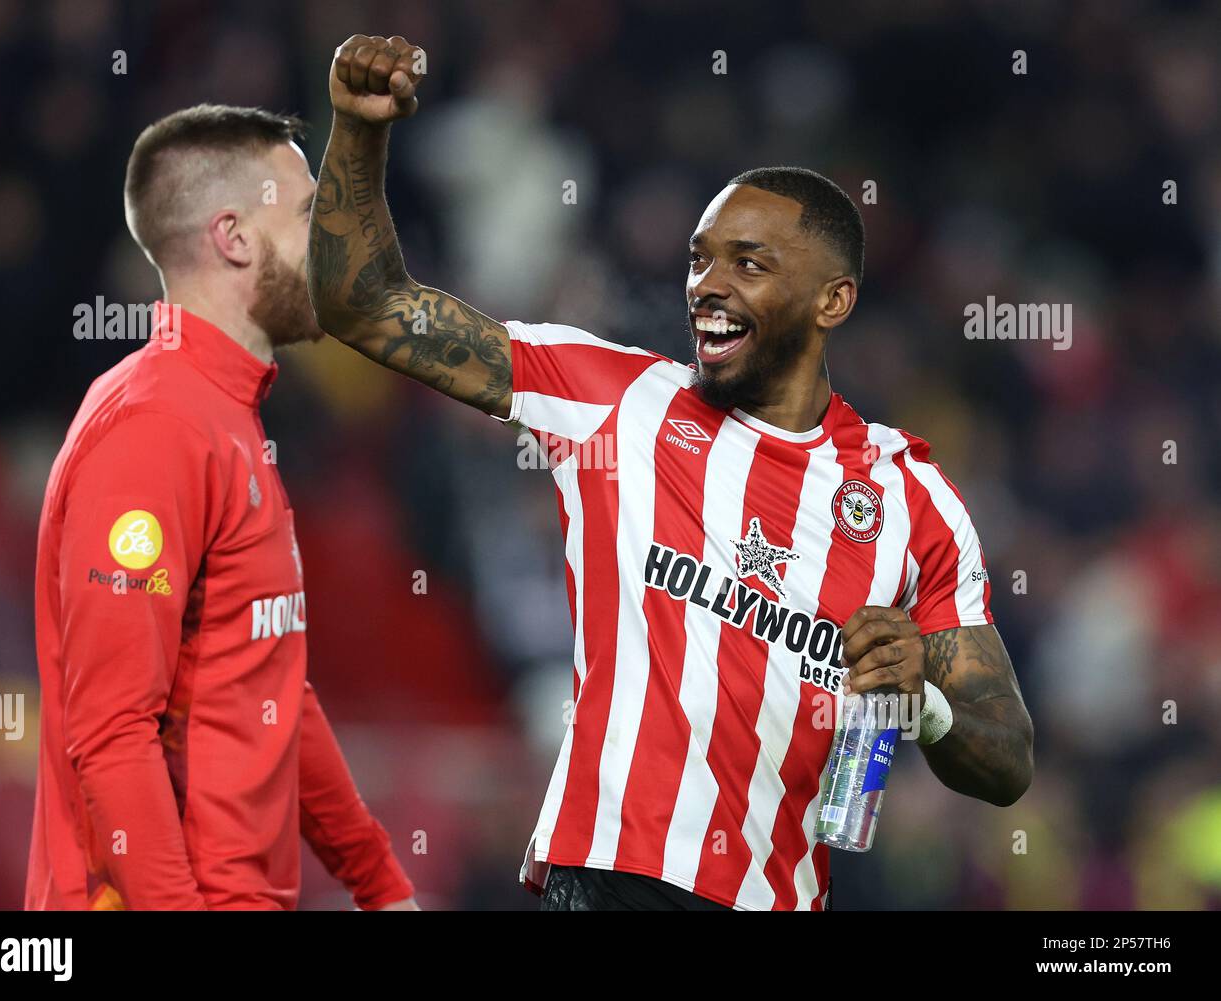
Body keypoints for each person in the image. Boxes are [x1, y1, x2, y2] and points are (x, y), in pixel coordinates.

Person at [306, 34, 1034, 911]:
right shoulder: (619, 401)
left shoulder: (911, 498)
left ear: (832, 301)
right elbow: (367, 305)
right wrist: (356, 130)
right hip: (607, 878)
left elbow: (1007, 759)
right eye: (699, 258)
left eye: (749, 263)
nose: (706, 284)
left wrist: (927, 700)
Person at [27, 104, 415, 910]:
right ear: (233, 237)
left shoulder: (225, 413)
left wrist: (379, 883)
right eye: (310, 213)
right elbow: (109, 733)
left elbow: (272, 687)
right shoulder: (153, 429)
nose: (335, 239)